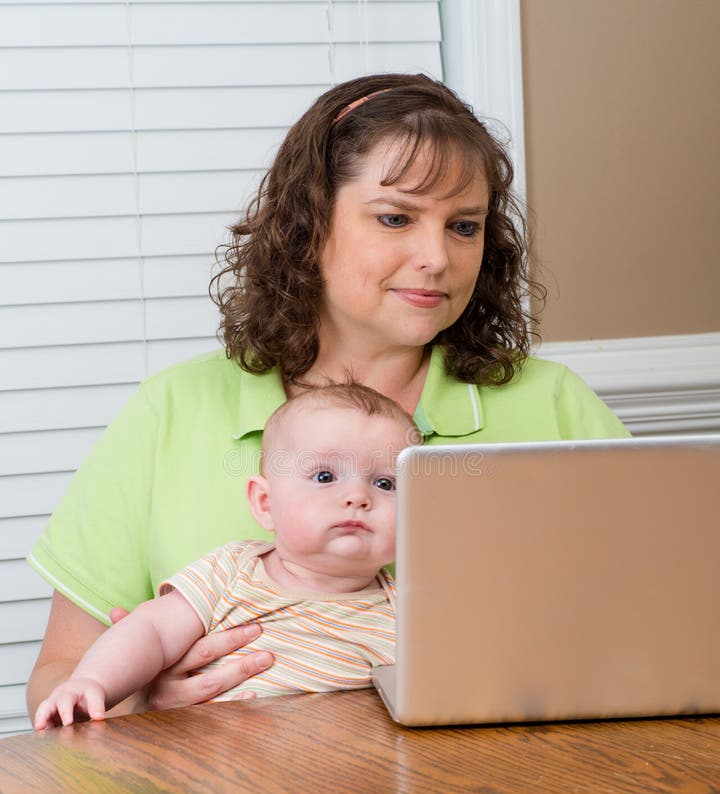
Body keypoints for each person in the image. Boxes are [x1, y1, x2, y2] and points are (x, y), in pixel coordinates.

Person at [26, 72, 629, 721]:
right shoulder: (172, 409)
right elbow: (56, 679)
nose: (436, 257)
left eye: (463, 226)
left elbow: (655, 628)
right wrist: (144, 702)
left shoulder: (555, 406)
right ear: (309, 224)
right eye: (396, 218)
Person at [34, 383, 419, 728]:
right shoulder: (231, 572)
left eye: (385, 483)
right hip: (218, 769)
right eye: (325, 477)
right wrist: (93, 682)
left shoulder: (406, 613)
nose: (357, 497)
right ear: (265, 503)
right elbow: (150, 631)